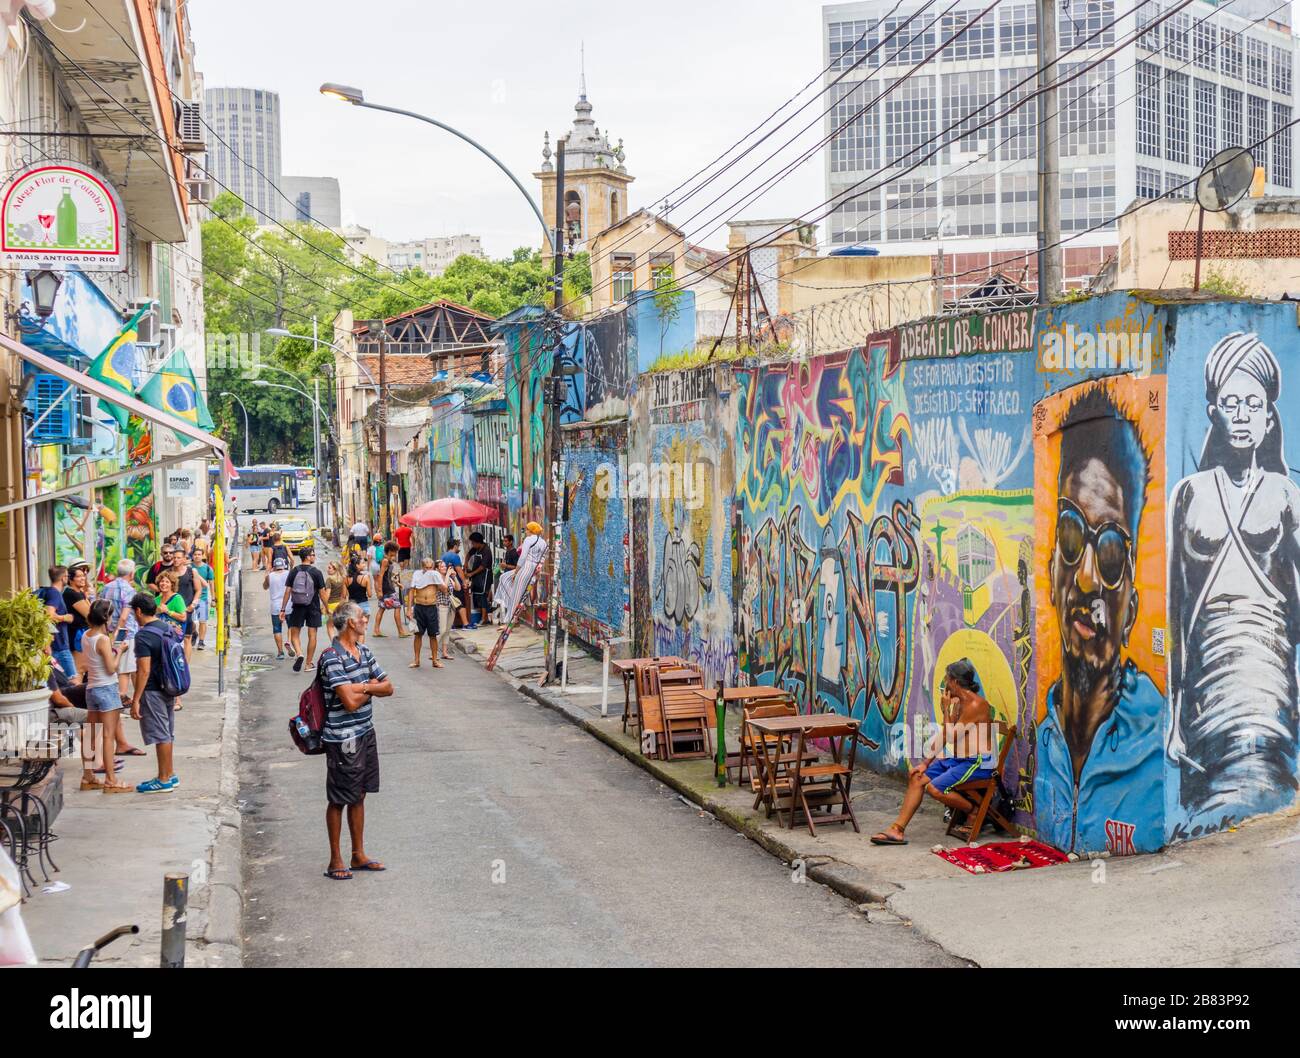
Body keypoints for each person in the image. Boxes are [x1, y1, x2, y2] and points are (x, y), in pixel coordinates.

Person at [1170, 333, 1300, 824]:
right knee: (1205, 804)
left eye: (1253, 404)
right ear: (1212, 412)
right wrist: (1175, 718)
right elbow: (1176, 608)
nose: (1242, 415)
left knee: (1265, 790)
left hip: (1271, 688)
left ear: (1269, 418)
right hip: (1205, 692)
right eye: (1231, 403)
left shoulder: (1286, 495)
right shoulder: (1189, 493)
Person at [1035, 386, 1163, 856]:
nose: (1087, 578)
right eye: (1071, 533)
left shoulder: (1158, 747)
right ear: (1050, 569)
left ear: (1131, 601)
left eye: (1110, 551)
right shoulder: (1042, 733)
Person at [871, 659, 997, 846]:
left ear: (954, 681)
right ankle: (897, 829)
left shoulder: (976, 705)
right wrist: (925, 763)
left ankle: (974, 810)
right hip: (959, 759)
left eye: (947, 679)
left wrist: (945, 710)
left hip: (977, 763)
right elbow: (945, 736)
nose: (945, 684)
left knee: (934, 788)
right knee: (918, 777)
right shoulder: (960, 702)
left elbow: (951, 736)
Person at [319, 602, 393, 881]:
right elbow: (348, 703)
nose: (366, 619)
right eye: (362, 617)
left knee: (359, 793)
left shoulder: (364, 652)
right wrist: (371, 689)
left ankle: (358, 854)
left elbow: (389, 686)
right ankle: (335, 858)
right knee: (339, 797)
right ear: (350, 623)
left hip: (365, 732)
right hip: (342, 738)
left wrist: (362, 687)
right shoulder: (331, 657)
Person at [130, 592, 180, 794]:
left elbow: (143, 670)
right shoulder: (166, 627)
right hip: (169, 686)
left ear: (139, 611)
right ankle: (170, 773)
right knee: (167, 733)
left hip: (153, 689)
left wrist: (136, 699)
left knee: (161, 735)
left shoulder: (143, 635)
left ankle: (163, 778)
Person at [82, 601, 132, 793]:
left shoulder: (86, 636)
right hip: (107, 688)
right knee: (108, 735)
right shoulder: (102, 639)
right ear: (106, 617)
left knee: (91, 735)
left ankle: (88, 776)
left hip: (92, 688)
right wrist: (120, 651)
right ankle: (111, 780)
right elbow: (112, 668)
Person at [100, 559, 146, 756]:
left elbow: (103, 612)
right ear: (131, 573)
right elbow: (126, 616)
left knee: (126, 669)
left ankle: (135, 699)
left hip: (110, 633)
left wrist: (109, 634)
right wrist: (119, 634)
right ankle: (123, 703)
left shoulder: (106, 588)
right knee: (125, 671)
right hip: (126, 634)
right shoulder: (128, 590)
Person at [283, 546, 327, 672]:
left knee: (295, 633)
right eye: (313, 554)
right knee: (312, 634)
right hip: (313, 606)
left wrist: (282, 609)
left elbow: (287, 591)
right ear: (307, 556)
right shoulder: (316, 572)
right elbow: (322, 593)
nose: (314, 556)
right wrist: (327, 607)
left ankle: (299, 653)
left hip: (297, 605)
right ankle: (308, 664)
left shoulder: (294, 571)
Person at [37, 565, 77, 681]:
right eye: (68, 576)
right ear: (63, 577)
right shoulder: (55, 593)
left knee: (59, 682)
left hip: (53, 645)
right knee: (73, 681)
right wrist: (66, 617)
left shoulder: (46, 591)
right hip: (59, 646)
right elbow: (49, 615)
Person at [169, 548, 206, 662]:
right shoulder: (169, 573)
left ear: (184, 559)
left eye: (178, 557)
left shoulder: (191, 571)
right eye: (174, 557)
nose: (175, 560)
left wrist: (193, 604)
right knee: (172, 638)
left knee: (187, 638)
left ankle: (185, 665)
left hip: (187, 609)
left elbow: (198, 589)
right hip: (172, 611)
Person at [406, 557, 442, 668]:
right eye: (427, 568)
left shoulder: (435, 575)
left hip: (431, 607)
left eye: (431, 567)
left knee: (433, 635)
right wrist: (409, 609)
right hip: (419, 607)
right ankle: (416, 660)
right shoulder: (417, 575)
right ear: (422, 567)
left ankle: (435, 660)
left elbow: (443, 588)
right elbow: (412, 591)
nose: (429, 570)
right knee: (418, 635)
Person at [62, 563, 93, 673]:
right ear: (71, 579)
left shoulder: (79, 593)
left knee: (84, 668)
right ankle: (75, 689)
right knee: (79, 669)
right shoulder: (71, 594)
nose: (83, 578)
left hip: (81, 633)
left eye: (83, 575)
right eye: (79, 576)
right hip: (76, 635)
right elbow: (90, 614)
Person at [373, 542, 407, 638]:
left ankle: (376, 630)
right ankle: (401, 631)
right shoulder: (385, 561)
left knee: (382, 608)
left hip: (387, 586)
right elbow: (381, 575)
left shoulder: (387, 560)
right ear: (390, 551)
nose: (396, 554)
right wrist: (379, 590)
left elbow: (388, 576)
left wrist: (397, 583)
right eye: (395, 552)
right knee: (397, 606)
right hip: (387, 588)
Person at [464, 532, 494, 628]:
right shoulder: (476, 549)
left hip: (485, 576)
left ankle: (484, 619)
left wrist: (471, 574)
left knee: (483, 597)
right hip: (477, 577)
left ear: (478, 542)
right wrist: (466, 563)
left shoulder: (486, 551)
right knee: (478, 597)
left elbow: (482, 567)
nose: (472, 545)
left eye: (473, 543)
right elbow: (468, 554)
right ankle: (482, 617)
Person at [266, 555, 291, 660]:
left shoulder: (270, 576)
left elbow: (265, 586)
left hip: (275, 606)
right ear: (284, 565)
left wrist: (267, 575)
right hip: (289, 605)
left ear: (274, 566)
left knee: (277, 629)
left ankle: (280, 653)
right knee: (291, 626)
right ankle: (289, 642)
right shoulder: (289, 574)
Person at [191, 544, 214, 650]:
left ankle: (201, 641)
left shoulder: (208, 568)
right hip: (189, 598)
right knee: (189, 622)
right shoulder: (188, 567)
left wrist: (213, 598)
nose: (197, 556)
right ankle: (194, 632)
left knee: (202, 621)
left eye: (199, 554)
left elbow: (211, 584)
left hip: (203, 598)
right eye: (195, 554)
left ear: (202, 556)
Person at [433, 560, 456, 661]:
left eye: (445, 566)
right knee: (441, 630)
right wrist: (447, 575)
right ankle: (433, 652)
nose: (444, 568)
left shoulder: (449, 578)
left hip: (451, 606)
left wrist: (454, 576)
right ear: (437, 569)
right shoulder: (437, 579)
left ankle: (445, 652)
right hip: (441, 606)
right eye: (441, 567)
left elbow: (458, 588)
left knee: (447, 631)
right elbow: (444, 588)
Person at [153, 571, 187, 635]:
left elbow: (183, 618)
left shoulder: (177, 598)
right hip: (159, 632)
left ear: (172, 584)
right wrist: (157, 611)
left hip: (174, 633)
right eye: (162, 581)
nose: (164, 584)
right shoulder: (156, 600)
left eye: (167, 582)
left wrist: (167, 611)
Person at [345, 550, 372, 618]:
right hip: (363, 605)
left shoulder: (346, 579)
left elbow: (344, 595)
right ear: (357, 565)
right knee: (363, 628)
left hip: (352, 606)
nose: (364, 564)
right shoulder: (365, 578)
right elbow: (370, 594)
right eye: (363, 563)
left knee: (354, 628)